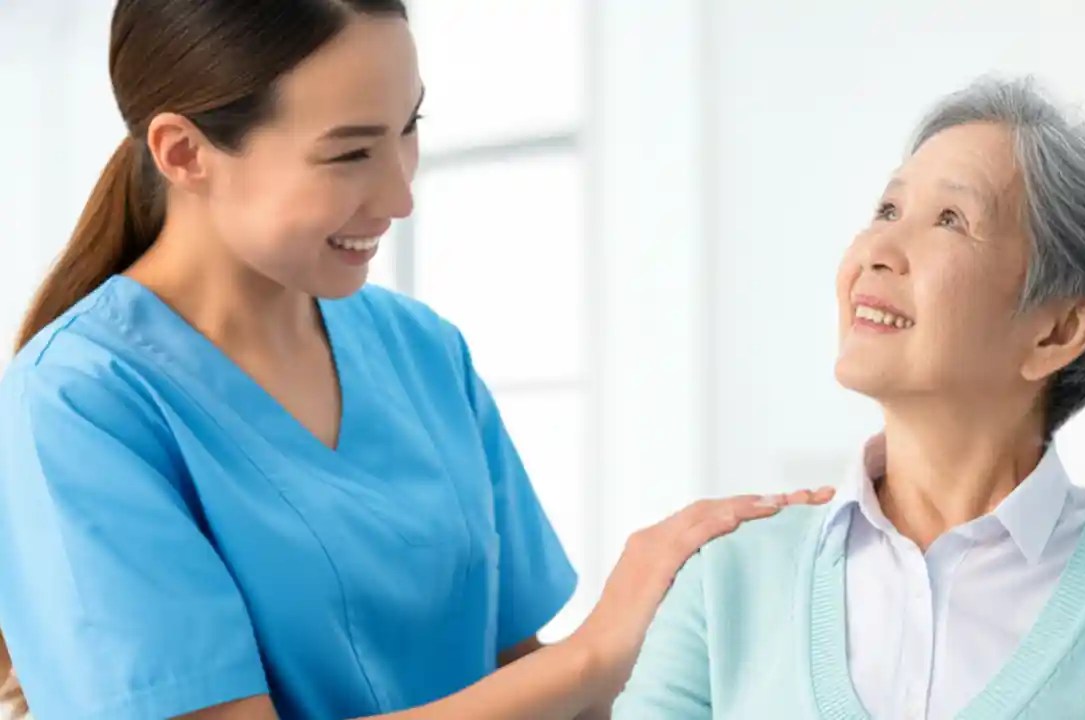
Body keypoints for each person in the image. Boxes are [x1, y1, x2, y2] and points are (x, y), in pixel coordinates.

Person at [0, 2, 835, 719]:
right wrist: (593, 652)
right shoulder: (77, 406)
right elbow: (562, 673)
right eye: (350, 153)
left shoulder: (421, 351)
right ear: (184, 152)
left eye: (409, 129)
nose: (401, 194)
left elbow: (522, 678)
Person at [613, 78, 1085, 719]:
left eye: (951, 220)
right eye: (887, 211)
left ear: (1060, 330)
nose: (877, 252)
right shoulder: (727, 576)